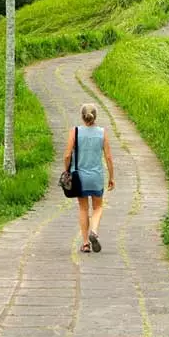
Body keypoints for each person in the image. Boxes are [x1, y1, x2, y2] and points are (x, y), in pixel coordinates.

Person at [63, 103, 113, 252]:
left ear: (82, 116)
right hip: (96, 177)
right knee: (98, 207)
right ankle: (95, 231)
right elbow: (109, 157)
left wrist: (66, 171)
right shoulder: (102, 133)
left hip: (79, 178)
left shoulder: (75, 132)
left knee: (83, 208)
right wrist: (112, 177)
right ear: (95, 116)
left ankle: (85, 243)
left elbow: (67, 155)